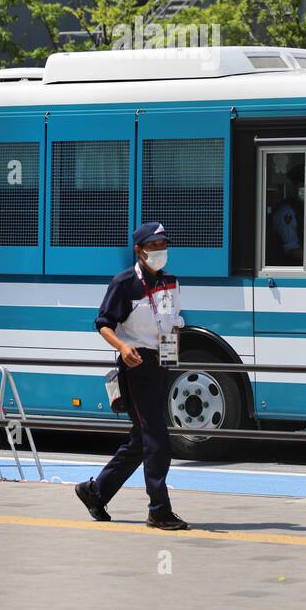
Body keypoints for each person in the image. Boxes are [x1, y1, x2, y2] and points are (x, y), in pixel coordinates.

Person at [75, 222, 190, 530]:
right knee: (157, 436)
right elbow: (103, 323)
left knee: (142, 440)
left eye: (164, 244)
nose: (161, 251)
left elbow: (173, 321)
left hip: (162, 362)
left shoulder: (171, 282)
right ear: (139, 251)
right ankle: (158, 508)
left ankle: (96, 491)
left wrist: (175, 339)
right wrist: (123, 347)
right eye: (154, 246)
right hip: (137, 364)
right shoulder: (124, 283)